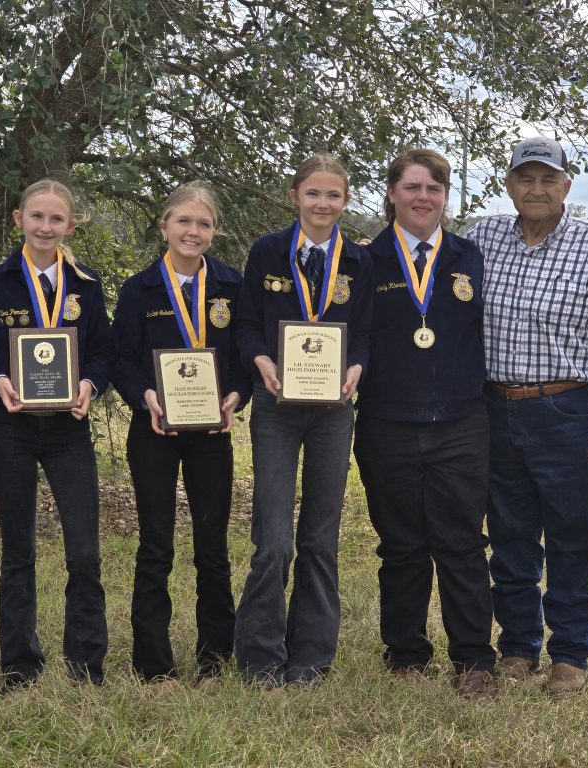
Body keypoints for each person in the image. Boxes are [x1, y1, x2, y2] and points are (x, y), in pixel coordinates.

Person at [466, 136, 588, 693]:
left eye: (548, 179)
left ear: (567, 185)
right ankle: (518, 645)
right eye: (525, 179)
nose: (536, 189)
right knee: (511, 534)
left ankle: (570, 652)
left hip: (568, 410)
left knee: (572, 535)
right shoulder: (482, 236)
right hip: (496, 409)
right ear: (509, 185)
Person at [0, 179, 113, 688]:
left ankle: (85, 664)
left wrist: (89, 384)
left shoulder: (87, 285)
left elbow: (103, 354)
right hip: (11, 430)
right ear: (19, 219)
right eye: (37, 217)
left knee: (84, 552)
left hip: (69, 431)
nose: (46, 227)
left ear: (70, 226)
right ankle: (20, 665)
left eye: (56, 219)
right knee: (18, 550)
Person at [354, 149, 496, 697]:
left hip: (461, 421)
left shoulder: (471, 258)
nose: (422, 198)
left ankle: (474, 659)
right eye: (412, 187)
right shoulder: (364, 261)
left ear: (446, 197)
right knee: (401, 545)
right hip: (386, 422)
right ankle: (406, 655)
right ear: (391, 193)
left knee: (461, 543)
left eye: (434, 189)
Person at [233, 153, 374, 688]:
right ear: (295, 196)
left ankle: (311, 657)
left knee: (320, 535)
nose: (323, 203)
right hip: (276, 407)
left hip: (334, 409)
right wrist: (261, 361)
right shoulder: (268, 251)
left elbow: (362, 332)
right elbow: (246, 323)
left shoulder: (358, 262)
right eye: (313, 193)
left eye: (333, 195)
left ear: (345, 201)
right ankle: (261, 657)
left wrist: (357, 366)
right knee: (273, 537)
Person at [112, 182, 252, 686]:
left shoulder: (233, 287)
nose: (193, 232)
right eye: (184, 222)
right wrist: (145, 397)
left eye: (204, 224)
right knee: (156, 545)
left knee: (212, 547)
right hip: (154, 430)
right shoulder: (139, 289)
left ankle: (214, 658)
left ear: (214, 231)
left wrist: (236, 396)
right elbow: (123, 361)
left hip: (211, 432)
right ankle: (153, 663)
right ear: (164, 226)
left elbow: (242, 360)